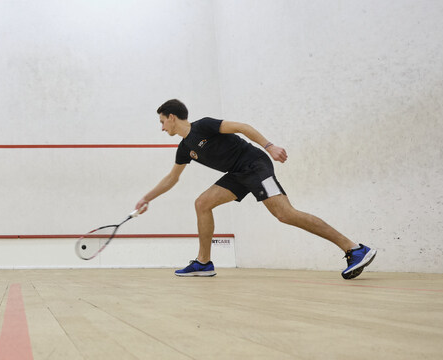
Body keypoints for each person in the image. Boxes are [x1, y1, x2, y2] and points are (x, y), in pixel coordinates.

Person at [135, 99, 375, 279]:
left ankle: (354, 249)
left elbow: (242, 127)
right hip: (237, 174)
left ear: (172, 117)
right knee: (202, 203)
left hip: (255, 164)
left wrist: (269, 146)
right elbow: (172, 178)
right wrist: (147, 198)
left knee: (285, 214)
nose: (162, 127)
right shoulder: (184, 148)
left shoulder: (205, 126)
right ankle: (204, 262)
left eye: (162, 121)